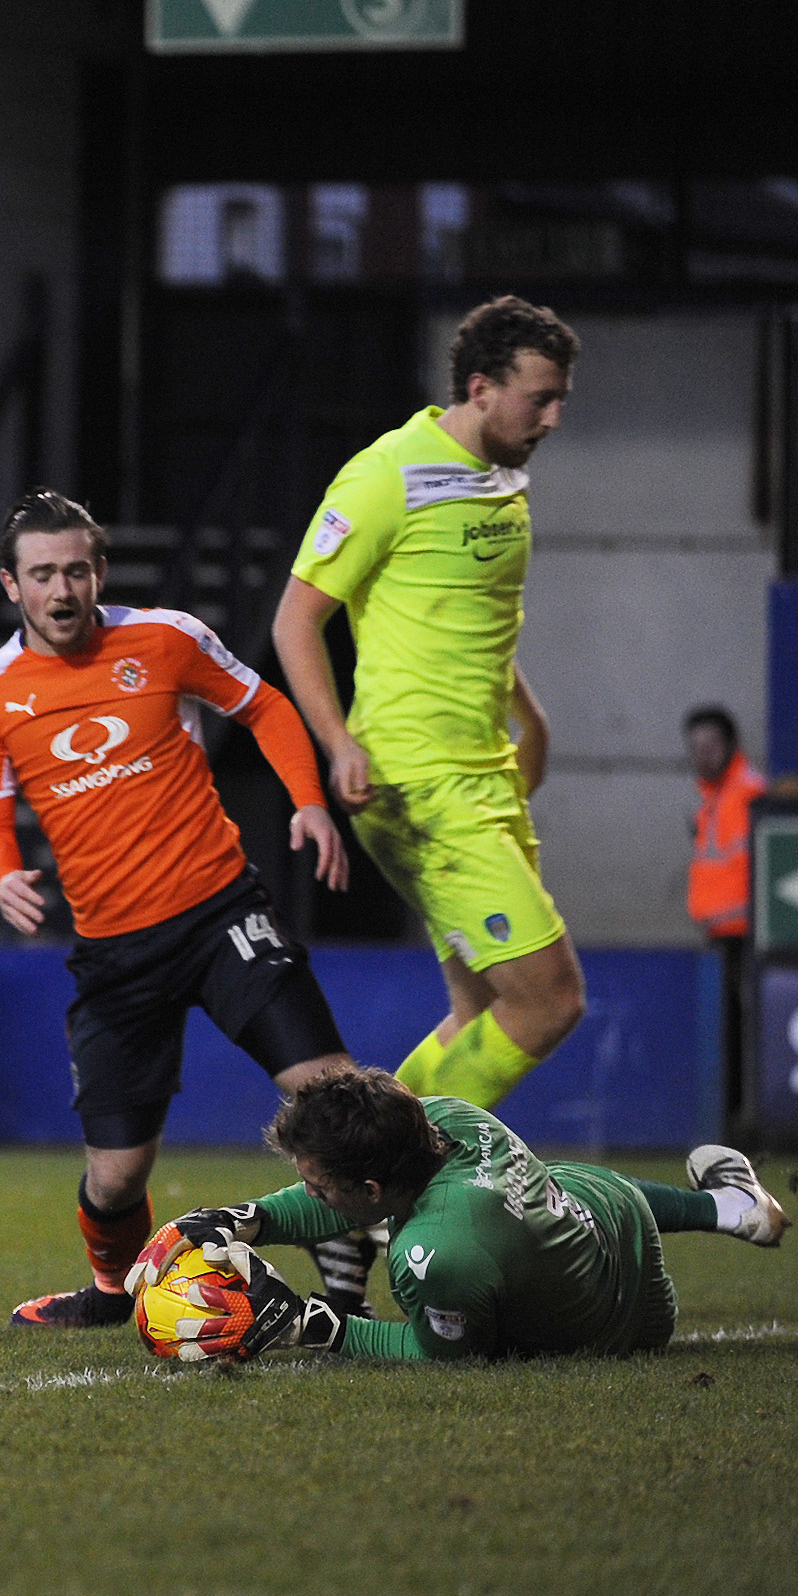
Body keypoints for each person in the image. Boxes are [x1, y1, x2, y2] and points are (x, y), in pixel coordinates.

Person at [0, 489, 371, 1330]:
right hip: (114, 953)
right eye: (43, 574)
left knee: (332, 1094)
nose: (62, 589)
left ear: (99, 570)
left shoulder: (166, 638)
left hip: (220, 914)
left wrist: (308, 801)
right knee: (114, 1178)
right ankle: (112, 1293)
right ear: (12, 586)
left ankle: (365, 1249)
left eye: (76, 568)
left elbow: (262, 705)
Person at [272, 294, 585, 1120]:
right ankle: (375, 1179)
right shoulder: (386, 474)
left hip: (485, 776)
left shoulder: (502, 473)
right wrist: (337, 742)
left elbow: (466, 617)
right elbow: (295, 619)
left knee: (482, 1016)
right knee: (548, 1000)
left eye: (560, 400)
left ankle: (351, 1176)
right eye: (537, 398)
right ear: (479, 388)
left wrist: (531, 716)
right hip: (418, 780)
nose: (552, 417)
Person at [126, 1065, 789, 1363]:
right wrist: (245, 1220)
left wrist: (312, 1326)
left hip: (628, 1326)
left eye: (320, 1188)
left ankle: (728, 1206)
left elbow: (441, 1353)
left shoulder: (439, 1253)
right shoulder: (442, 1117)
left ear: (371, 1186)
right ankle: (726, 1206)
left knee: (502, 1246)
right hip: (608, 1222)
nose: (313, 1197)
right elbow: (344, 1196)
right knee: (559, 1183)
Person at [685, 706, 766, 1119]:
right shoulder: (713, 798)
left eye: (711, 746)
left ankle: (740, 1115)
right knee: (727, 1030)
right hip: (721, 931)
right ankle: (732, 1114)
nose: (703, 755)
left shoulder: (746, 794)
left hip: (745, 932)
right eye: (696, 747)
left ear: (731, 746)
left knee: (740, 1030)